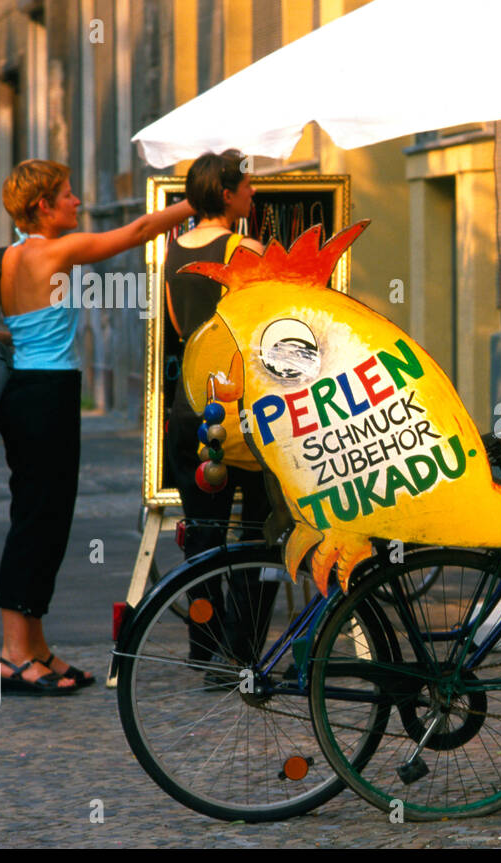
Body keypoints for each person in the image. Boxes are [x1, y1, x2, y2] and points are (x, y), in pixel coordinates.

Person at [0, 159, 195, 694]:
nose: (78, 202)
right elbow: (136, 232)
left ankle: (36, 646)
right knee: (37, 522)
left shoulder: (0, 260)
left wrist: (27, 340)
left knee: (41, 517)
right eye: (68, 194)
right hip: (49, 398)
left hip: (24, 395)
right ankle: (13, 655)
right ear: (43, 205)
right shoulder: (57, 250)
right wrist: (194, 204)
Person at [163, 150, 272, 665]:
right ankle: (243, 650)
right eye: (247, 186)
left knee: (202, 536)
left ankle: (203, 648)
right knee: (258, 530)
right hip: (240, 403)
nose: (253, 193)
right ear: (227, 194)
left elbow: (177, 327)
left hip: (189, 402)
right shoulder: (243, 247)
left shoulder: (172, 250)